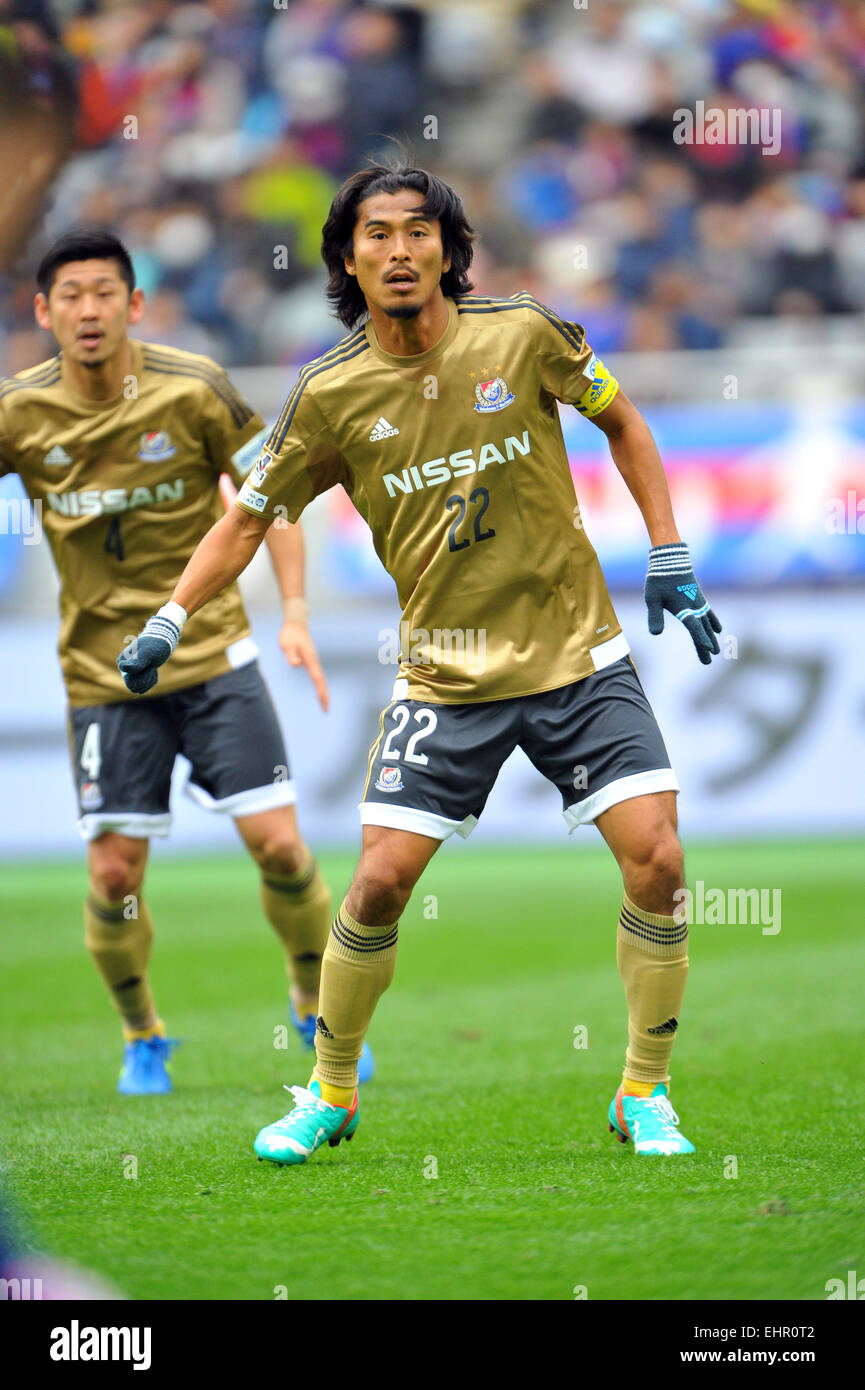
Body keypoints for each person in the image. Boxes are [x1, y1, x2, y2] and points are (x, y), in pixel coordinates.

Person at [117, 163, 721, 1157]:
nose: (398, 251)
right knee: (380, 885)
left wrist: (667, 551)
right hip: (444, 676)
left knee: (658, 861)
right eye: (375, 235)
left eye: (416, 232)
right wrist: (172, 619)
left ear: (447, 247)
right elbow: (249, 517)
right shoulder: (329, 393)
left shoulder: (522, 332)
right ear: (346, 258)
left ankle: (642, 1092)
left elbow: (623, 420)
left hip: (578, 656)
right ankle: (332, 1090)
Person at [0, 228, 372, 1094]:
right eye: (70, 295)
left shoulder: (194, 388)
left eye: (105, 293)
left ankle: (311, 999)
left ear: (134, 306)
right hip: (102, 677)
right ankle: (142, 1033)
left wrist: (298, 614)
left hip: (212, 655)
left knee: (280, 848)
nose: (87, 310)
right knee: (114, 872)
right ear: (42, 310)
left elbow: (268, 499)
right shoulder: (19, 412)